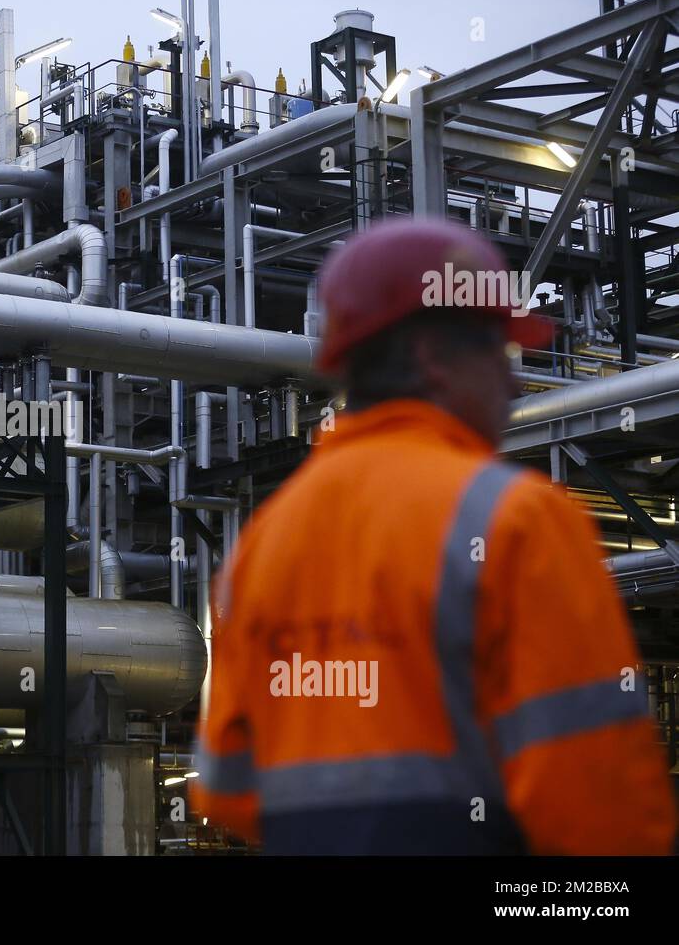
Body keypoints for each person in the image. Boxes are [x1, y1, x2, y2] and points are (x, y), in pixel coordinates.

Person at [192, 217, 677, 854]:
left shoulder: (262, 545)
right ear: (431, 359)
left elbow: (227, 786)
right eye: (501, 353)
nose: (514, 381)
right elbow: (597, 807)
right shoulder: (515, 518)